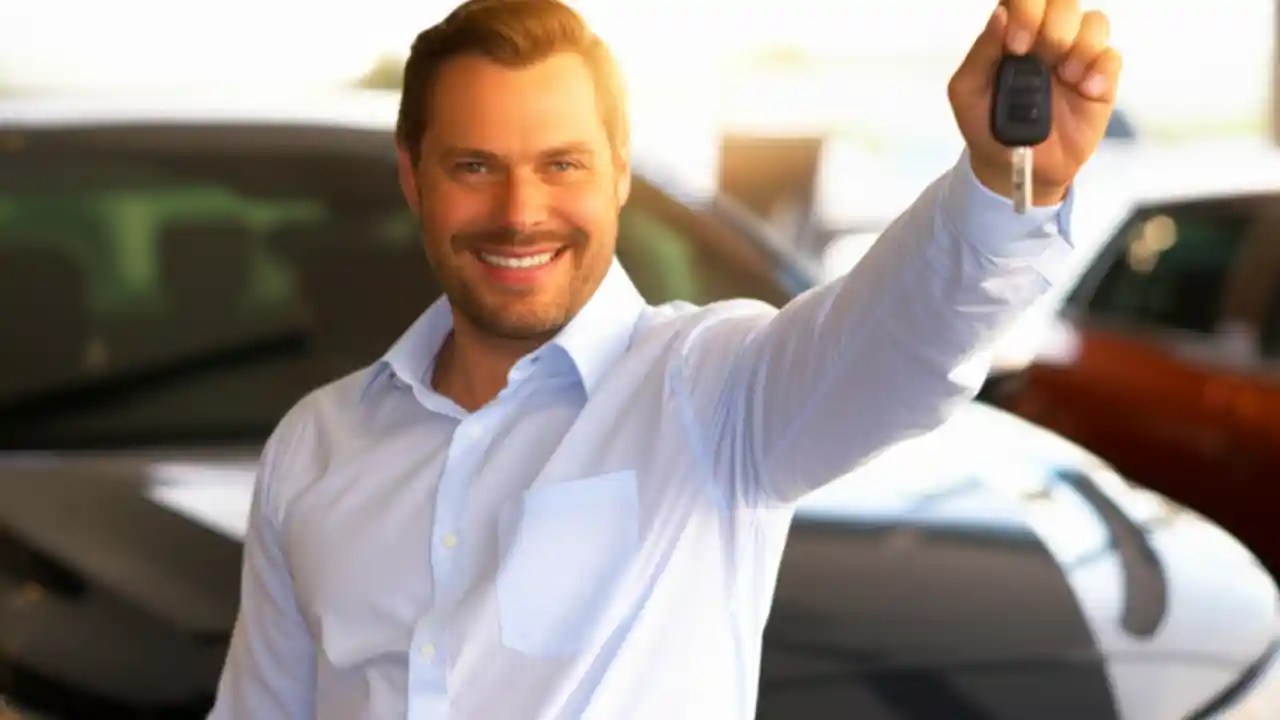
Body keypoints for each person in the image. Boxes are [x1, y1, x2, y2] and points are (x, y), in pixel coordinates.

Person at [208, 0, 1121, 717]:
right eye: (475, 166)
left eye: (561, 164)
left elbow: (896, 337)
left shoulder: (713, 389)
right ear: (414, 179)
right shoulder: (316, 446)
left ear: (618, 173)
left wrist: (1006, 182)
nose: (521, 211)